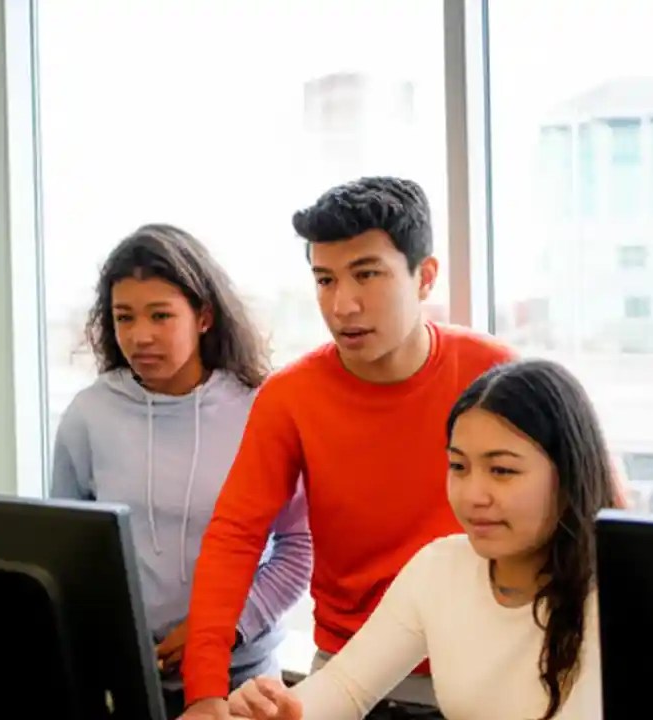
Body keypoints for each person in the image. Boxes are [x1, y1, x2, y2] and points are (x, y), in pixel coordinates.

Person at [180, 177, 515, 719]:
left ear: (424, 276)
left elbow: (599, 514)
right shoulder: (291, 395)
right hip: (346, 671)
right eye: (325, 279)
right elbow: (236, 535)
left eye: (367, 274)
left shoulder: (494, 372)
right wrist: (205, 692)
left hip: (484, 670)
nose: (343, 304)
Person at [227, 358, 620, 720]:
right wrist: (282, 711)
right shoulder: (440, 567)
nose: (473, 494)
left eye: (502, 470)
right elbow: (346, 687)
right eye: (459, 466)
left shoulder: (622, 593)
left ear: (568, 475)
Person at [50, 224, 312, 717]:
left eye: (161, 316)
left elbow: (297, 550)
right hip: (126, 676)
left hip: (243, 678)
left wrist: (219, 629)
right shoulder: (89, 415)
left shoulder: (261, 410)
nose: (139, 336)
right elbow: (64, 553)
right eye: (124, 317)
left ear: (205, 317)